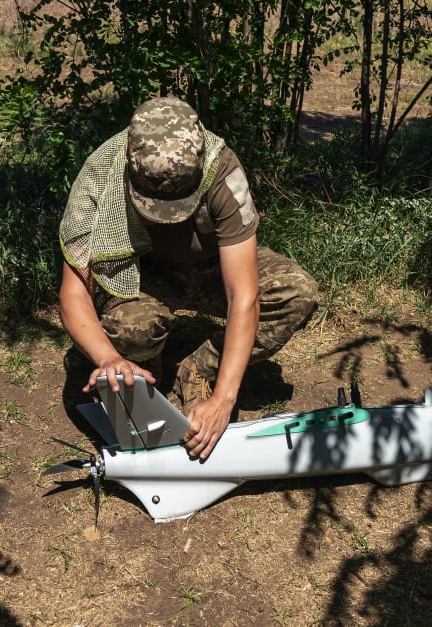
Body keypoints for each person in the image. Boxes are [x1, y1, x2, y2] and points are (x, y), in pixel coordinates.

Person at [58, 96, 319, 460]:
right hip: (144, 275)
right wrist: (106, 359)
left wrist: (223, 399)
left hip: (214, 267)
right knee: (129, 331)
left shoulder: (222, 169)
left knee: (295, 292)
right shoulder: (100, 174)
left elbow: (244, 294)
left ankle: (196, 367)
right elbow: (74, 292)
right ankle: (143, 368)